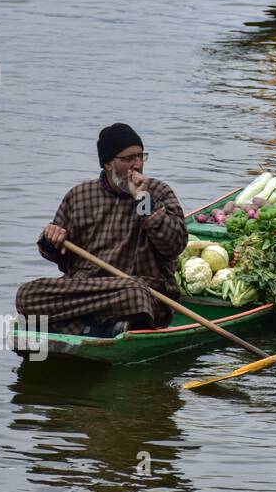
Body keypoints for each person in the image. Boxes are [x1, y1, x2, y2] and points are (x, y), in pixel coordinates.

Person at [17, 123, 188, 337]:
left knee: (135, 295)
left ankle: (73, 325)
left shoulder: (158, 192)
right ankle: (97, 329)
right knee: (26, 295)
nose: (137, 165)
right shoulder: (78, 196)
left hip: (136, 291)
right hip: (86, 289)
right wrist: (50, 241)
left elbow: (175, 245)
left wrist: (143, 203)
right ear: (107, 163)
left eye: (140, 156)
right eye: (128, 159)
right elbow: (60, 257)